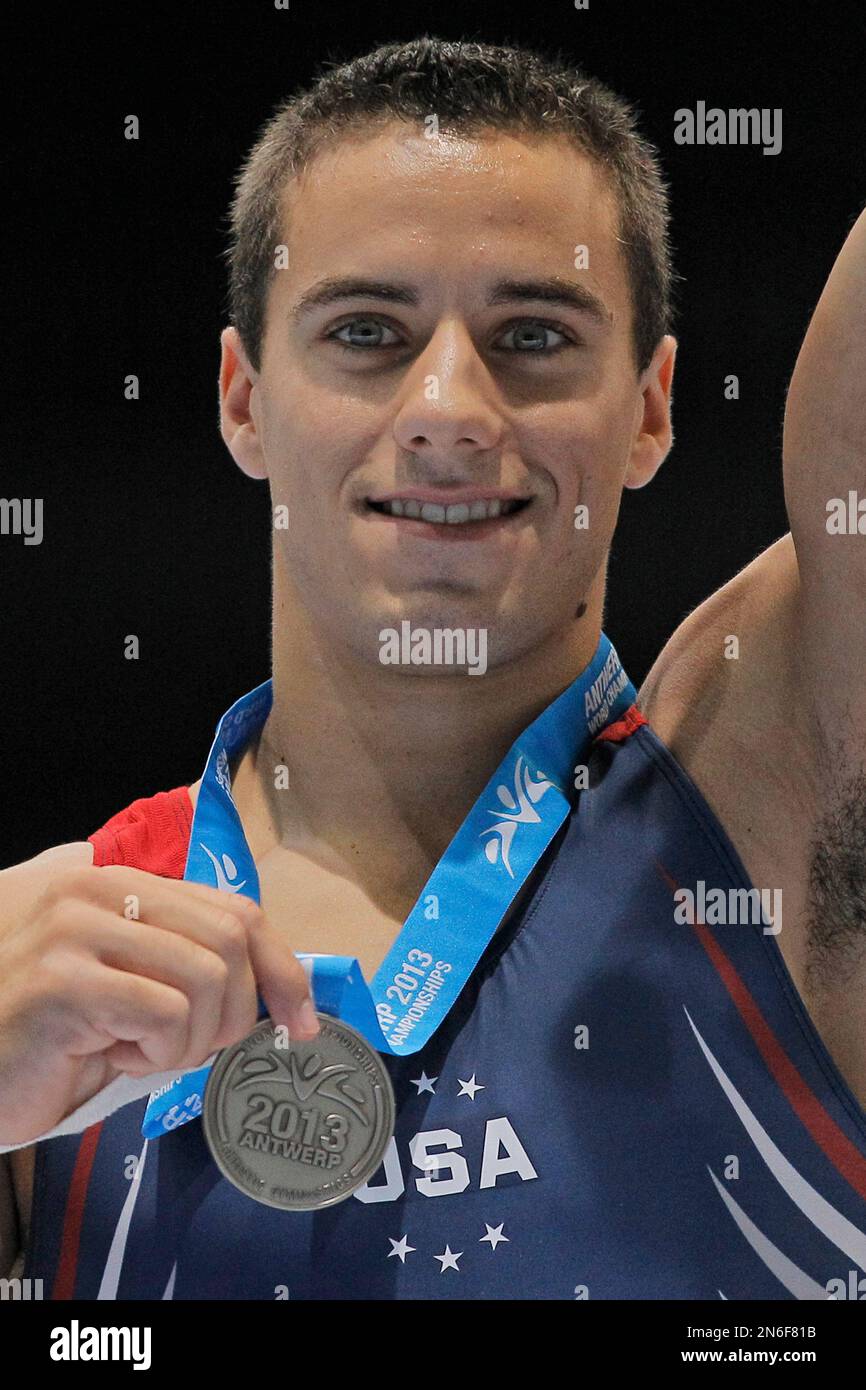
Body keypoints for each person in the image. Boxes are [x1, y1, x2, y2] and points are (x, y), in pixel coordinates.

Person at [1, 37, 864, 1300]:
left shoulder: (768, 808)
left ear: (649, 408)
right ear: (242, 400)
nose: (449, 404)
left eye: (531, 332)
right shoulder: (58, 948)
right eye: (365, 330)